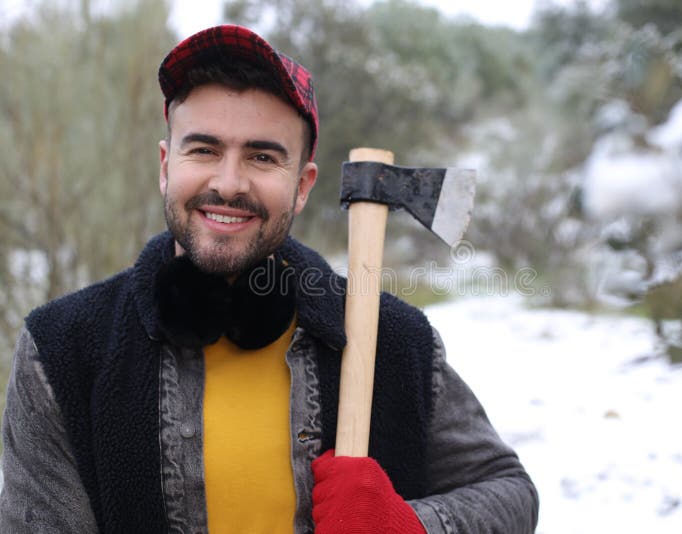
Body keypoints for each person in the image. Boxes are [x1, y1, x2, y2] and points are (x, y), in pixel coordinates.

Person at [0, 24, 538, 533]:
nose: (229, 183)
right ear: (166, 165)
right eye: (204, 149)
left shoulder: (394, 341)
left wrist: (409, 525)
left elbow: (511, 492)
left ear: (303, 185)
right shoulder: (62, 351)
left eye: (262, 156)